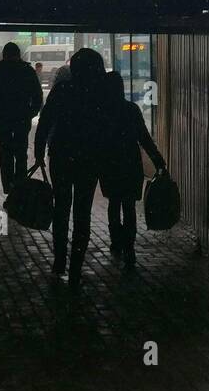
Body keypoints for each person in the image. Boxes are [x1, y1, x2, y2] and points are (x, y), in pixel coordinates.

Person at [34, 47, 112, 290]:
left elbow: (45, 122)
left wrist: (38, 152)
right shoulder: (101, 94)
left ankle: (59, 259)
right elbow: (108, 129)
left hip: (62, 155)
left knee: (61, 207)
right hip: (89, 159)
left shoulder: (62, 91)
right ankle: (76, 265)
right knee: (82, 211)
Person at [101, 71, 166, 271]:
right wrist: (159, 161)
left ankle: (115, 240)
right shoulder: (131, 109)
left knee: (114, 203)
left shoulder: (102, 110)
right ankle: (129, 246)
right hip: (130, 163)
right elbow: (144, 138)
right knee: (128, 206)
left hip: (109, 163)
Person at [0, 41, 43, 194]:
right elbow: (37, 97)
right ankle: (20, 189)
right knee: (21, 154)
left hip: (2, 120)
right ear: (18, 54)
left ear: (5, 55)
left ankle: (8, 188)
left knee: (5, 155)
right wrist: (30, 113)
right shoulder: (27, 70)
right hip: (21, 120)